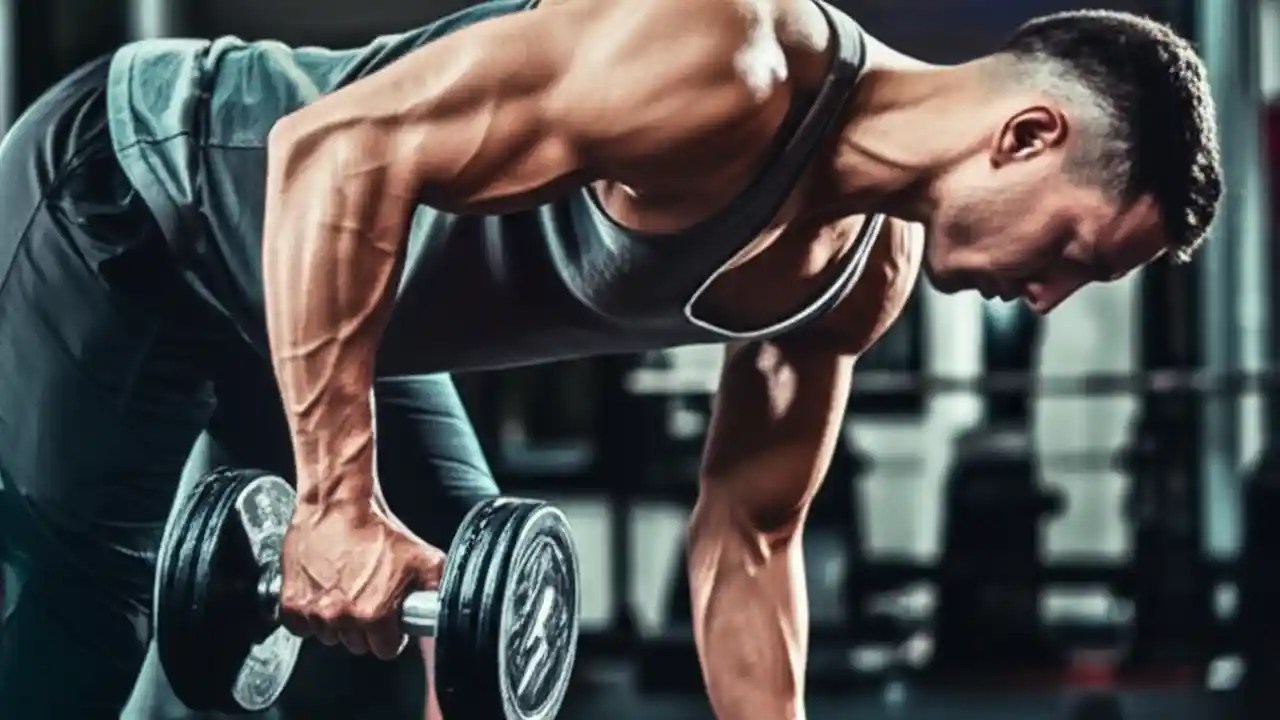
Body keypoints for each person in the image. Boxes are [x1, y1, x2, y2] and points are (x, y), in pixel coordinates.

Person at [0, 0, 1221, 717]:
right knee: (71, 639)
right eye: (1073, 252)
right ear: (1025, 134)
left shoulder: (861, 273)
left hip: (344, 311)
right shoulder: (723, 57)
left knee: (465, 641)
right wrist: (334, 503)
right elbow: (335, 151)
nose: (1049, 297)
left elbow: (749, 541)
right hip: (140, 195)